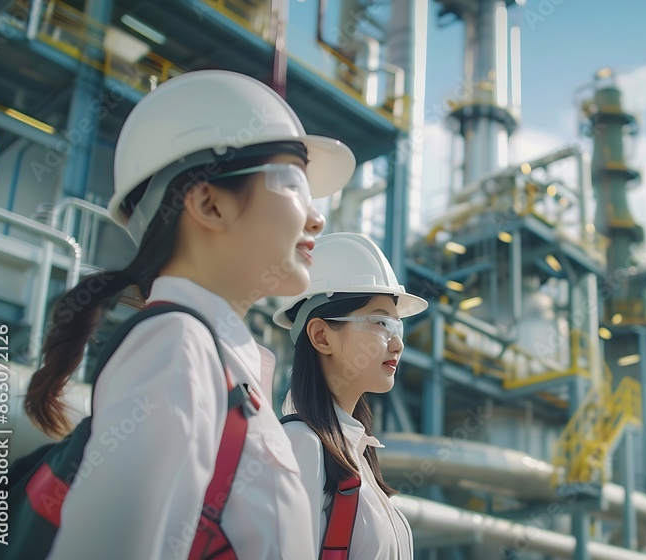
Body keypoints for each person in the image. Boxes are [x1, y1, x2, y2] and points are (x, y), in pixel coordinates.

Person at [23, 69, 356, 559]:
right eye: (291, 184)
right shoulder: (176, 348)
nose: (316, 217)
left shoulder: (218, 358)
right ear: (208, 203)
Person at [272, 233, 428, 559]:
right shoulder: (301, 447)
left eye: (397, 328)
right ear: (321, 336)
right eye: (381, 322)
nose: (397, 344)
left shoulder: (356, 453)